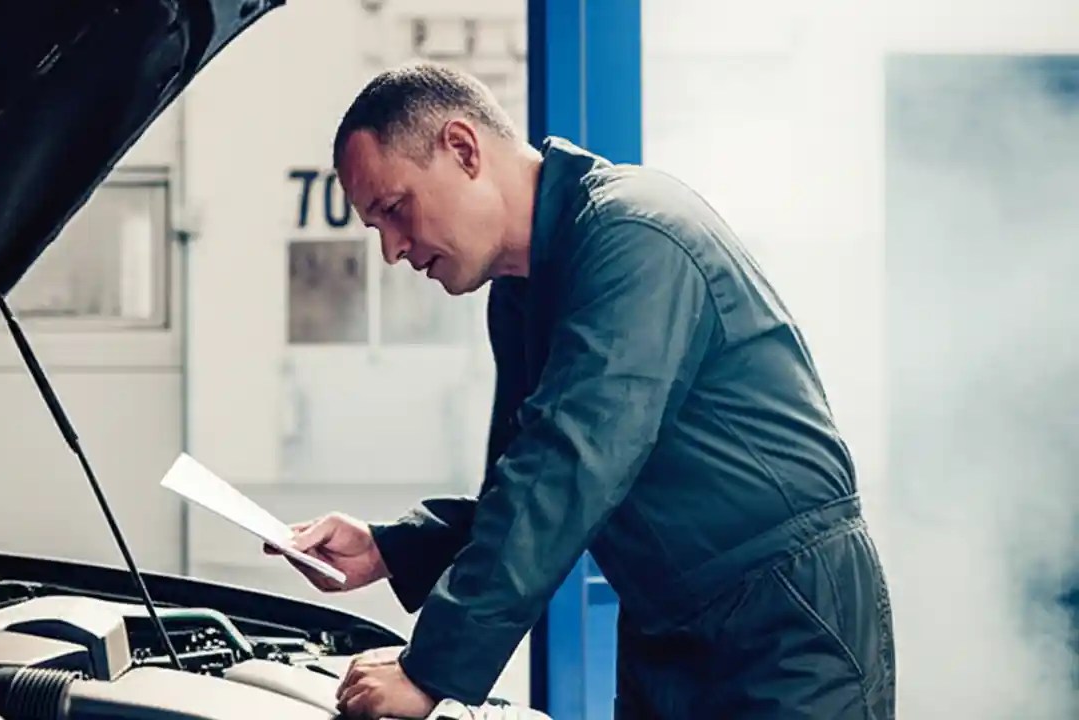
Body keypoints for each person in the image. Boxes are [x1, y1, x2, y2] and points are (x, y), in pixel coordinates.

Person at [265, 61, 896, 720]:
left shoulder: (635, 237)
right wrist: (392, 548)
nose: (393, 250)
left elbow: (569, 469)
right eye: (376, 229)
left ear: (462, 148)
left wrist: (431, 668)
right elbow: (522, 483)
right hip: (668, 630)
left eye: (396, 211)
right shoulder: (519, 296)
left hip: (783, 625)